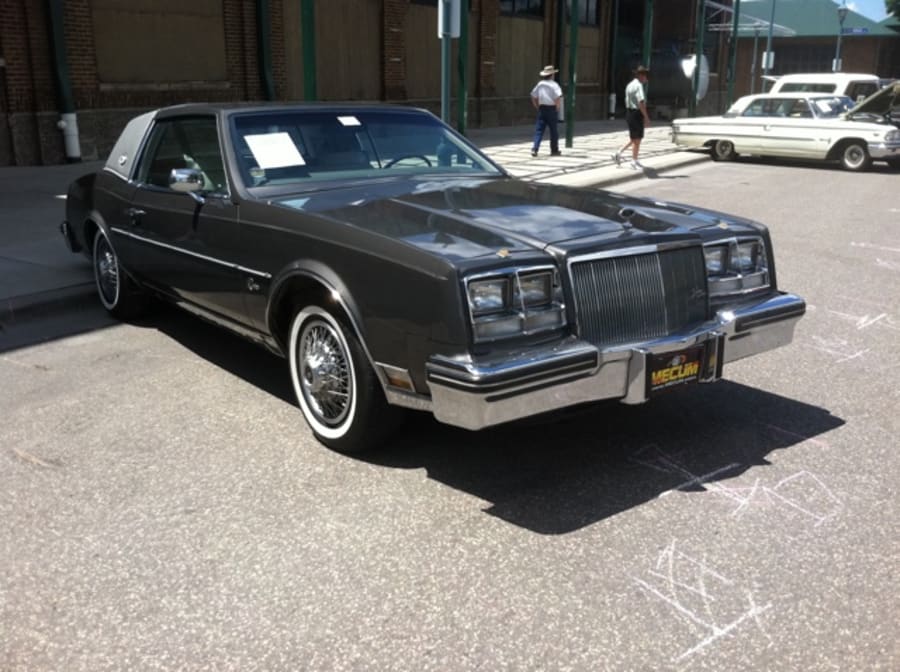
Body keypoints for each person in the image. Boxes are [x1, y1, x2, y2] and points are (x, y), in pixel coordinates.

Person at [613, 65, 651, 170]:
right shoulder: (638, 86)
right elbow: (641, 102)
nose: (646, 78)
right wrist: (646, 117)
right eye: (645, 75)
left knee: (635, 138)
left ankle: (620, 153)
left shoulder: (629, 85)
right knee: (637, 139)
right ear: (641, 76)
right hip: (636, 113)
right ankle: (633, 161)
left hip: (629, 113)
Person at [530, 65, 563, 157]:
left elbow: (533, 96)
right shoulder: (554, 85)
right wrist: (557, 107)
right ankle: (554, 150)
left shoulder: (540, 84)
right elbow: (558, 97)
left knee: (539, 130)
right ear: (552, 75)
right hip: (551, 109)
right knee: (553, 131)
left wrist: (536, 105)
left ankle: (535, 148)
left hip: (542, 108)